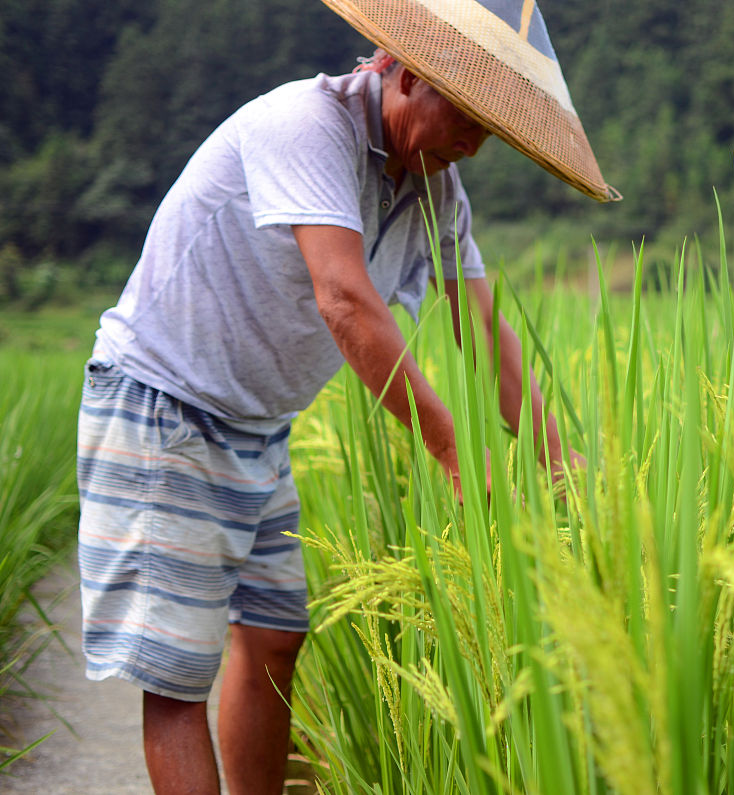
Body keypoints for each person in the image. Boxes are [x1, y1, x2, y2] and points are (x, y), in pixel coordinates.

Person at [76, 44, 595, 794]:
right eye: (469, 119)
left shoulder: (434, 189)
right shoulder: (307, 125)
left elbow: (482, 329)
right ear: (411, 74)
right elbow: (345, 298)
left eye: (493, 135)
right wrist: (451, 452)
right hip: (165, 404)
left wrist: (554, 457)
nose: (474, 147)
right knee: (175, 670)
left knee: (275, 637)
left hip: (260, 422)